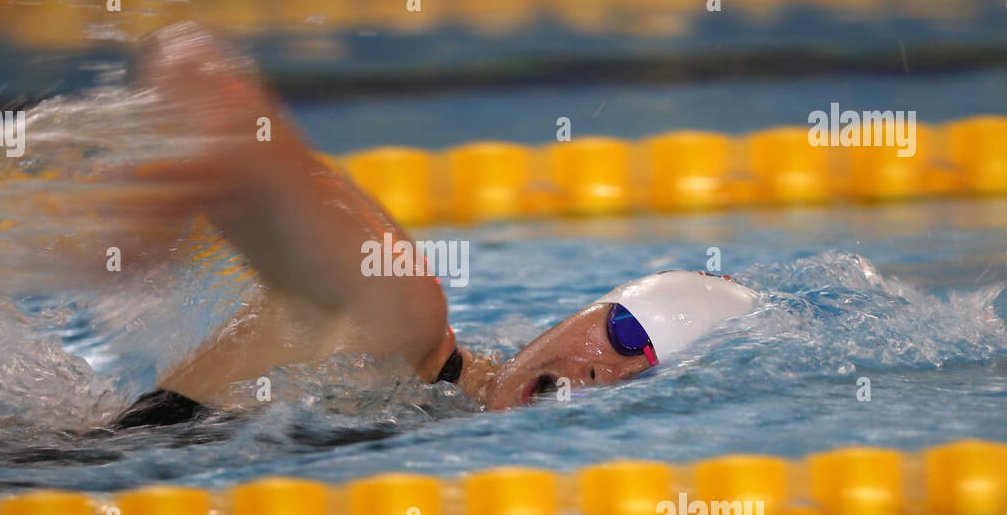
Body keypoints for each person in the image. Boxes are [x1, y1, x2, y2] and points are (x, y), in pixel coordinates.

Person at [108, 23, 757, 427]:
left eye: (640, 382)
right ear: (585, 312)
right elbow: (196, 71)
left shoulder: (429, 408)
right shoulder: (400, 312)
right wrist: (151, 207)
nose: (600, 376)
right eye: (624, 333)